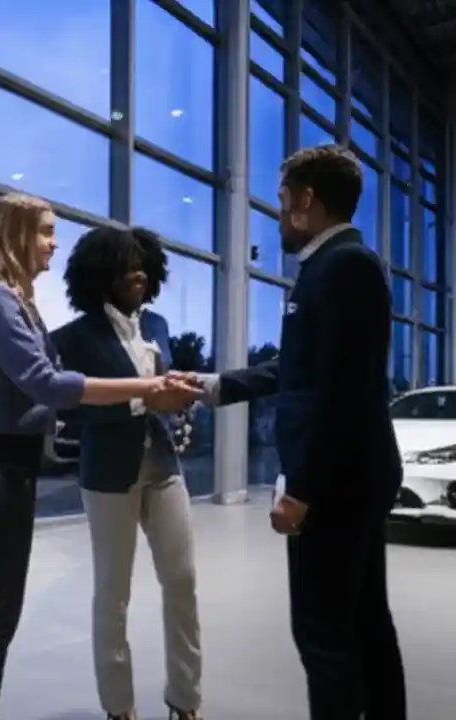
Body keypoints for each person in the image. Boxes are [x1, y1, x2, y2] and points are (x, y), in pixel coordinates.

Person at [0, 193, 201, 720]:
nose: (52, 243)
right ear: (13, 232)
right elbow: (46, 383)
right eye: (43, 231)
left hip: (10, 458)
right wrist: (147, 389)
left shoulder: (11, 299)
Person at [178, 145, 406, 719]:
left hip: (336, 485)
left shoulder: (344, 267)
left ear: (306, 200)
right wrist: (212, 385)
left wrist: (302, 490)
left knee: (324, 636)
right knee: (363, 622)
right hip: (353, 477)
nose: (279, 215)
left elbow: (342, 394)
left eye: (282, 202)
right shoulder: (337, 266)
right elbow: (299, 369)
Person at [50, 226, 203, 720]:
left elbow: (165, 387)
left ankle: (186, 699)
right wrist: (141, 398)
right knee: (113, 594)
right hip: (108, 474)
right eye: (124, 264)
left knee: (182, 580)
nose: (137, 272)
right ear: (100, 273)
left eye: (143, 263)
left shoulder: (156, 325)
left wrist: (174, 401)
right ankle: (120, 708)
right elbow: (73, 410)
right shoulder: (71, 338)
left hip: (164, 465)